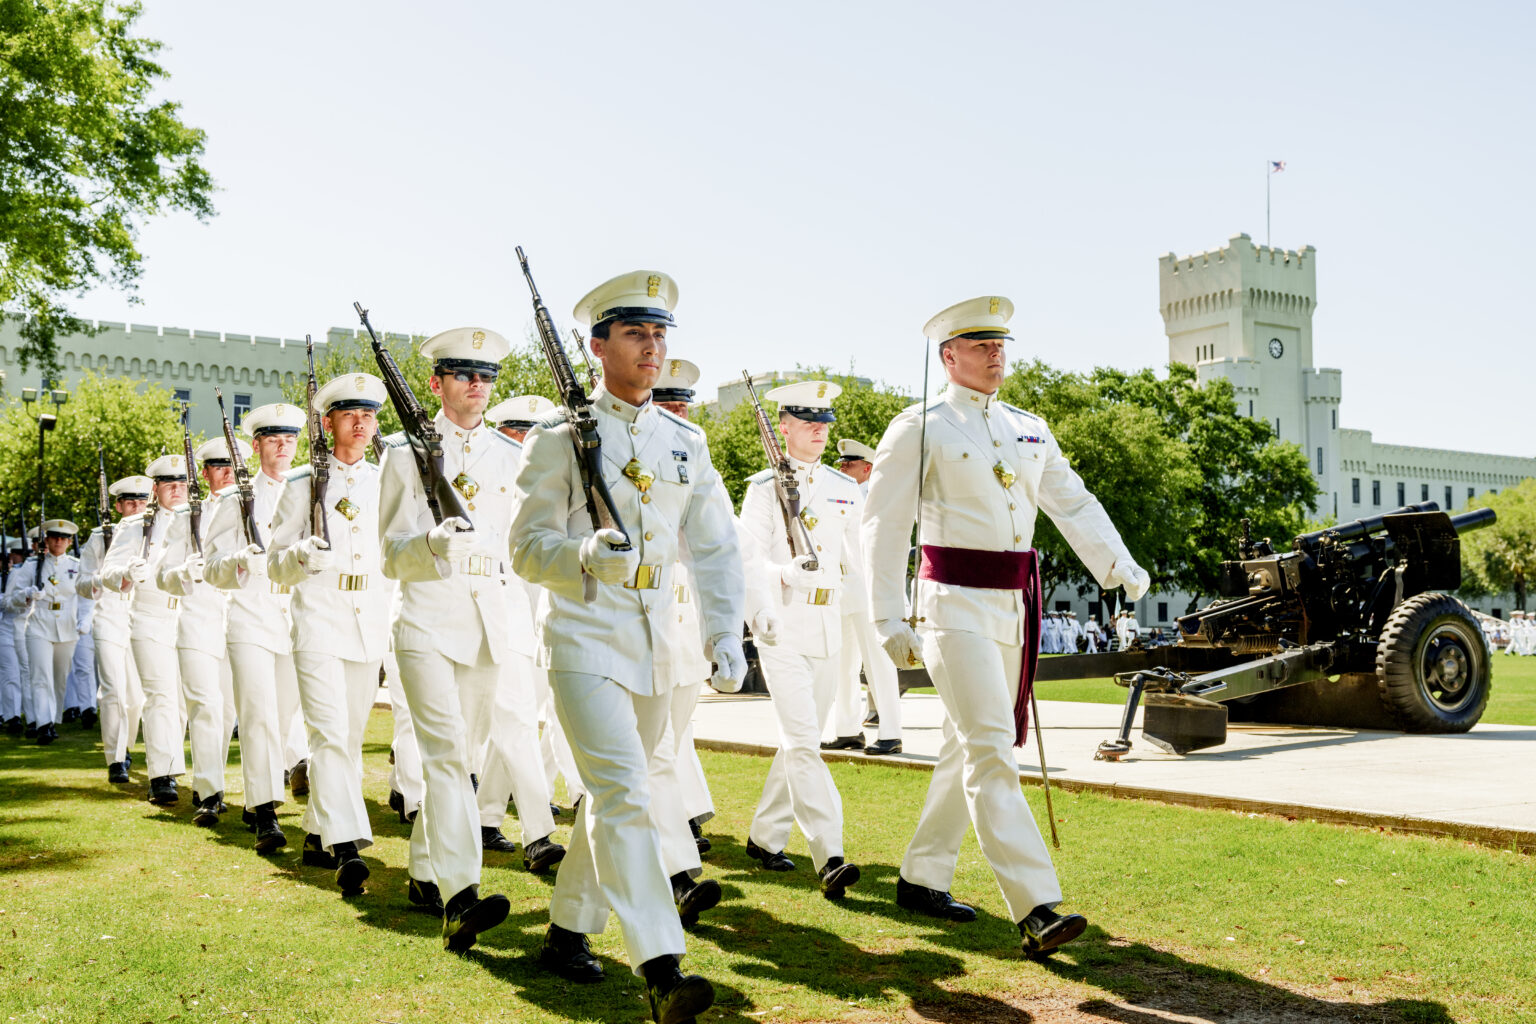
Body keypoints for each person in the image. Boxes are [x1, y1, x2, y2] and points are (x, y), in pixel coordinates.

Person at [863, 294, 1150, 957]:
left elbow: (1070, 499)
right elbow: (881, 525)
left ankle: (921, 876)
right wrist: (885, 615)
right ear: (948, 355)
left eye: (1001, 346)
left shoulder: (1028, 427)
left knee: (966, 744)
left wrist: (1119, 566)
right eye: (981, 345)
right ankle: (1036, 906)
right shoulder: (920, 427)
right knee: (992, 745)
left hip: (1012, 605)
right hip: (952, 602)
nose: (996, 356)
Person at [510, 269, 743, 1024]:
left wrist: (722, 631)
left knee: (612, 798)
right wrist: (579, 556)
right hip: (583, 633)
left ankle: (567, 930)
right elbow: (524, 546)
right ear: (597, 345)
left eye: (660, 333)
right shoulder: (560, 438)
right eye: (636, 333)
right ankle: (662, 965)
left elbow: (713, 549)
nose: (653, 347)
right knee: (626, 795)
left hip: (655, 641)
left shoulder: (685, 440)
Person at [377, 326, 518, 952]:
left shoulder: (511, 456)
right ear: (437, 383)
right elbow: (387, 552)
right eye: (464, 374)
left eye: (486, 376)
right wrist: (430, 544)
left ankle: (423, 871)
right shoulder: (404, 453)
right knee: (443, 760)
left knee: (460, 761)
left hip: (487, 622)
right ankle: (461, 896)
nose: (477, 385)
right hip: (427, 620)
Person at [267, 372, 396, 897]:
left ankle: (318, 836)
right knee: (327, 734)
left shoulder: (387, 479)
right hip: (319, 616)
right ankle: (346, 848)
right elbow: (275, 562)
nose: (361, 423)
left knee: (347, 735)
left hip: (368, 617)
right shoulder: (302, 483)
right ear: (328, 423)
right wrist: (300, 556)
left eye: (368, 414)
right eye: (350, 414)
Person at [737, 379, 864, 897]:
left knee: (799, 741)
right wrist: (782, 576)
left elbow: (858, 563)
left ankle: (765, 839)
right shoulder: (763, 487)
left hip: (829, 626)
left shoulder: (844, 487)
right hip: (782, 625)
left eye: (824, 422)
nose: (818, 428)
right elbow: (747, 558)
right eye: (806, 421)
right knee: (804, 742)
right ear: (782, 427)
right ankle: (829, 854)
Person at [205, 403, 306, 853]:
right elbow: (211, 567)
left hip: (297, 617)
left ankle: (254, 797)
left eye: (289, 439)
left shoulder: (308, 490)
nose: (282, 447)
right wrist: (238, 562)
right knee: (258, 714)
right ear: (256, 446)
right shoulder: (235, 499)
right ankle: (266, 812)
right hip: (249, 614)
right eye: (273, 439)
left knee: (283, 716)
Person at [487, 393, 584, 816]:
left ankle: (495, 808)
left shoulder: (553, 476)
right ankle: (525, 807)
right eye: (516, 434)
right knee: (516, 717)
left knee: (537, 716)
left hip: (543, 603)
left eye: (531, 435)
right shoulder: (489, 480)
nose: (523, 444)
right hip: (505, 607)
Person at [158, 437, 245, 825]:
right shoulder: (186, 516)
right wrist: (183, 573)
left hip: (242, 619)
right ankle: (209, 792)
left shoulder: (252, 506)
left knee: (227, 711)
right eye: (218, 466)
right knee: (204, 707)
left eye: (232, 464)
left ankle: (214, 781)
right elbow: (162, 575)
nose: (226, 472)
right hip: (197, 619)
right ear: (205, 473)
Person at [102, 455, 191, 805]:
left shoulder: (199, 518)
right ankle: (161, 775)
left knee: (184, 702)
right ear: (155, 488)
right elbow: (109, 572)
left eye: (182, 482)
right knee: (159, 696)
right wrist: (127, 572)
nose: (177, 489)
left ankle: (180, 769)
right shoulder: (136, 524)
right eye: (169, 483)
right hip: (150, 616)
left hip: (190, 617)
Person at [824, 438, 903, 755]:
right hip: (841, 588)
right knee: (843, 666)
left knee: (878, 664)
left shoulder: (877, 498)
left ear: (867, 468)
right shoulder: (838, 495)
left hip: (869, 590)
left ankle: (891, 733)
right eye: (841, 463)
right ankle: (848, 730)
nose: (841, 467)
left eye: (849, 463)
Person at [76, 477, 150, 781]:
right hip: (108, 614)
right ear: (118, 506)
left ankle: (126, 746)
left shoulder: (153, 531)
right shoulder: (98, 537)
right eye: (129, 502)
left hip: (142, 616)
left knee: (136, 698)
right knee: (113, 691)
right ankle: (116, 759)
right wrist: (102, 579)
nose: (136, 507)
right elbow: (81, 583)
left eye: (141, 501)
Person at [6, 519, 83, 744]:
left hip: (67, 626)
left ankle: (52, 716)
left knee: (59, 677)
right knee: (40, 676)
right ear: (46, 540)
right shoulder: (31, 566)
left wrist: (84, 620)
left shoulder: (76, 566)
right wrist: (26, 595)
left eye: (63, 538)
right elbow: (10, 602)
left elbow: (87, 595)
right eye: (54, 537)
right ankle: (44, 724)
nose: (58, 541)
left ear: (69, 542)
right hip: (38, 623)